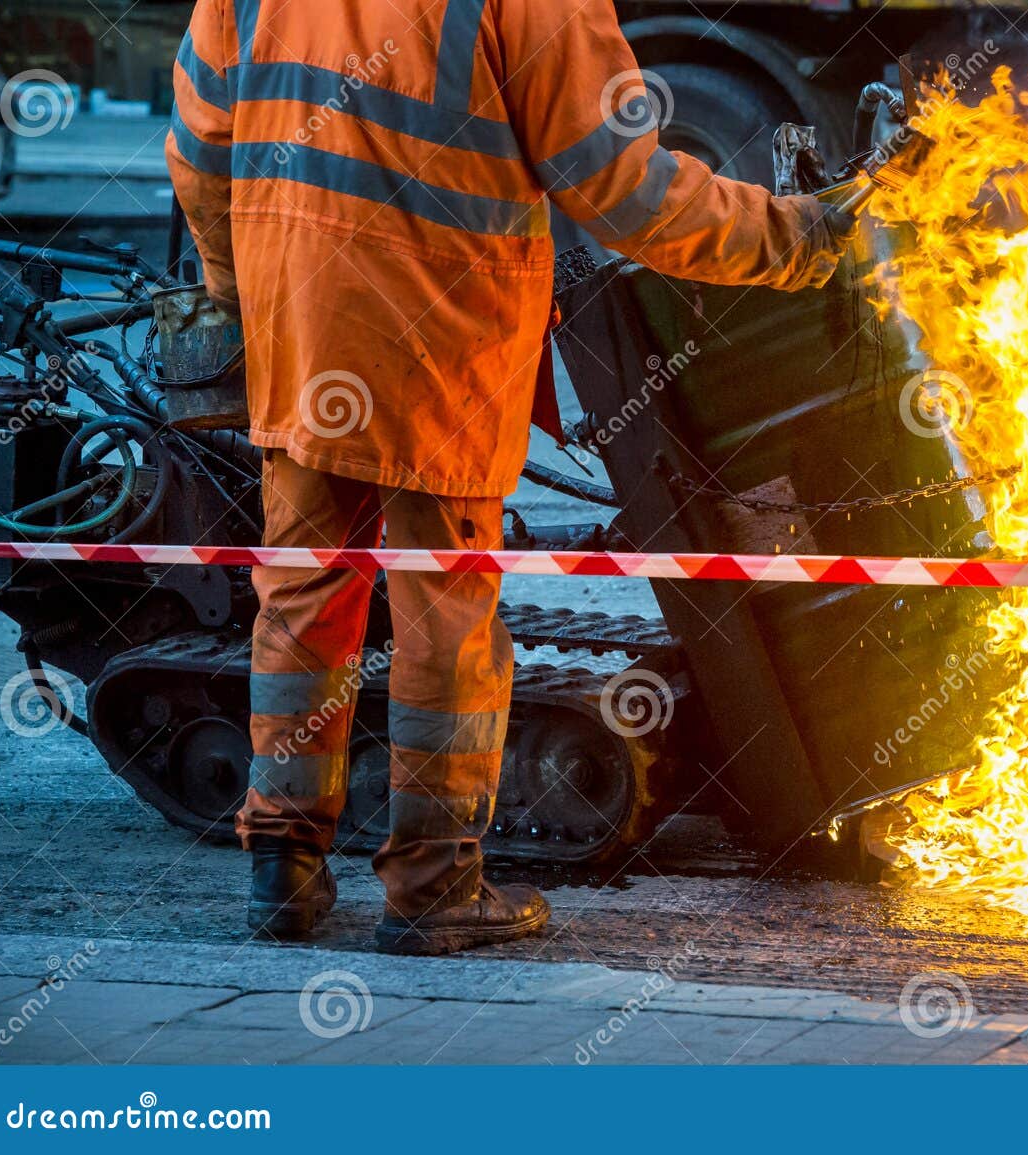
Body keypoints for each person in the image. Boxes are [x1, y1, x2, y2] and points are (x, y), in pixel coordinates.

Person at [167, 0, 854, 955]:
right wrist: (790, 238)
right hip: (435, 336)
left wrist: (239, 297)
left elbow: (201, 148)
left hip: (302, 329)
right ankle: (433, 886)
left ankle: (281, 869)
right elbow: (626, 192)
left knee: (304, 588)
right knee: (444, 607)